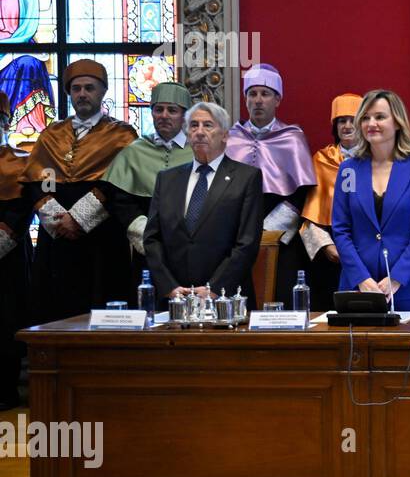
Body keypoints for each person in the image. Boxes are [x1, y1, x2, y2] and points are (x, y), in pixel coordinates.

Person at [20, 58, 136, 321]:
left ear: (103, 91)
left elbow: (119, 184)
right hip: (59, 236)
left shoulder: (122, 135)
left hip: (102, 238)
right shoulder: (52, 134)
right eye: (76, 88)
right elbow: (44, 177)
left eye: (89, 88)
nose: (82, 94)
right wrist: (55, 216)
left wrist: (80, 217)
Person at [143, 102, 263, 300]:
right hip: (176, 298)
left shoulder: (246, 178)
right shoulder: (166, 179)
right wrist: (169, 287)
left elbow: (247, 243)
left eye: (208, 125)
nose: (199, 132)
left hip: (227, 298)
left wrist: (215, 288)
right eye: (193, 125)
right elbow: (152, 238)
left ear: (225, 135)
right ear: (187, 134)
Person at [331, 90, 410, 311]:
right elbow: (340, 229)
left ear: (397, 122)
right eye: (366, 118)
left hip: (407, 289)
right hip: (357, 288)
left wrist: (396, 278)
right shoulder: (348, 169)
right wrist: (361, 278)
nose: (371, 123)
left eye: (379, 117)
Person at [224, 63, 317, 305]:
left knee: (281, 299)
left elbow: (303, 190)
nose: (258, 100)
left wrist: (271, 229)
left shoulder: (292, 137)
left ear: (277, 100)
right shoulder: (230, 137)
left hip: (281, 236)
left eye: (265, 94)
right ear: (245, 99)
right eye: (252, 94)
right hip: (235, 233)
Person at [103, 81, 194, 276]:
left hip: (190, 247)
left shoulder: (199, 151)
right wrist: (143, 232)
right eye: (158, 109)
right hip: (146, 246)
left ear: (185, 116)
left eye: (172, 110)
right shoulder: (135, 151)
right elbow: (120, 200)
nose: (164, 116)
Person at [299, 93, 362, 310]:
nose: (347, 125)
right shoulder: (321, 159)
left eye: (352, 119)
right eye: (341, 121)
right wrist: (327, 246)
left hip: (367, 250)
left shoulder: (376, 160)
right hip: (331, 253)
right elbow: (309, 215)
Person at [0, 92, 31, 409]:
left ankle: (5, 391)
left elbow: (22, 210)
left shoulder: (21, 162)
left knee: (5, 322)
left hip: (7, 257)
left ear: (7, 123)